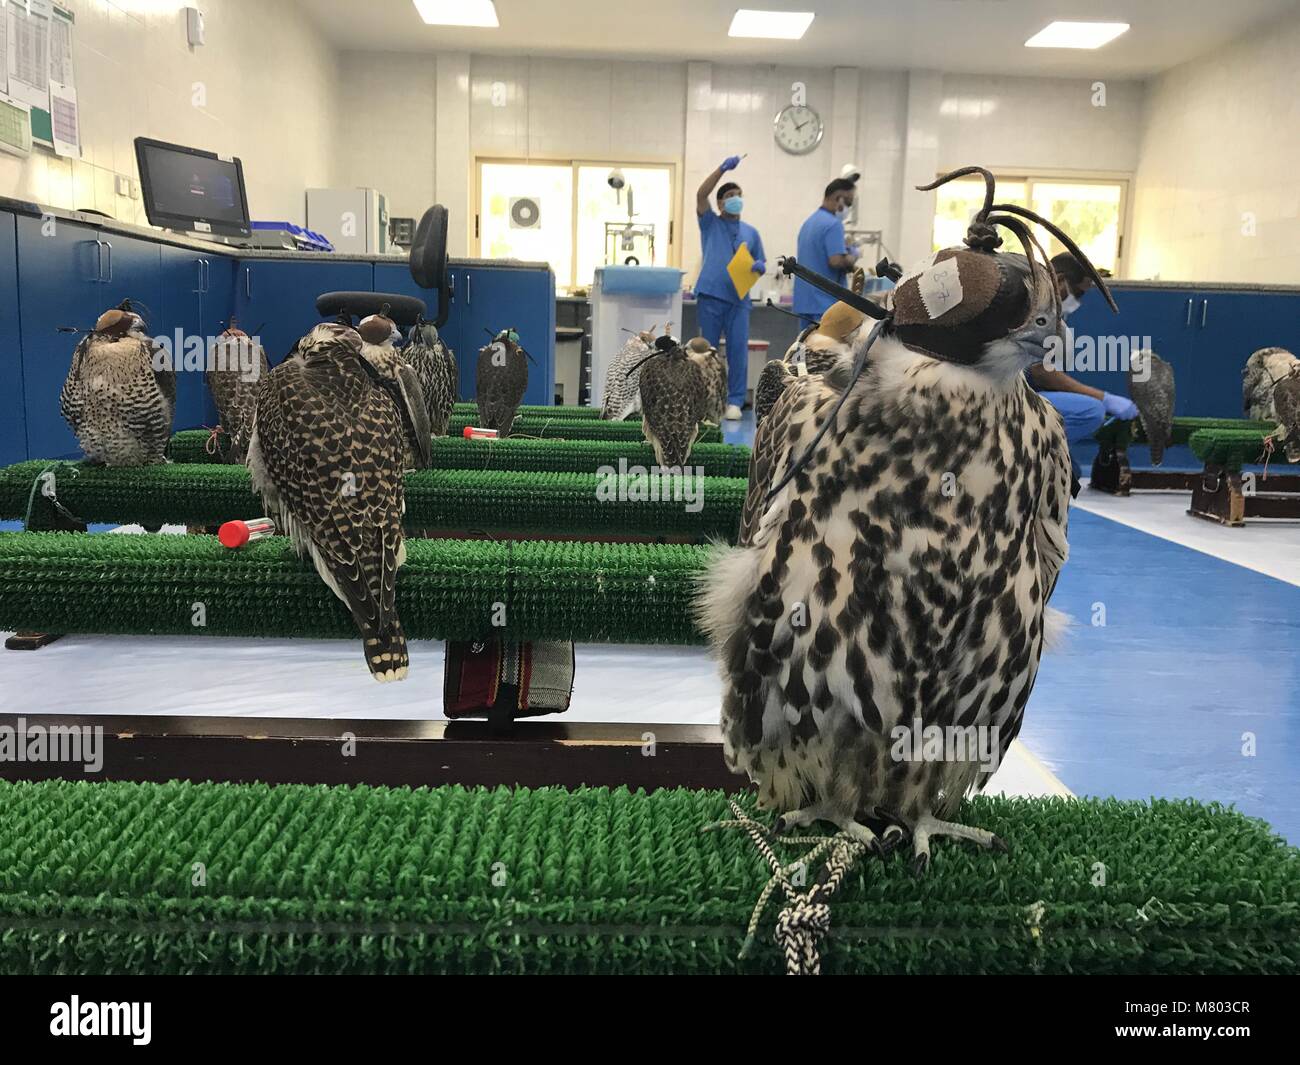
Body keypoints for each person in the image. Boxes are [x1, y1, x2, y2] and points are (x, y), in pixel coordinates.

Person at [1027, 252, 1137, 466]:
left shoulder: (1052, 312)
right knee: (1090, 411)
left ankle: (1042, 458)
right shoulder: (1033, 308)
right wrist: (1104, 398)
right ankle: (1028, 457)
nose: (1077, 300)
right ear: (1058, 280)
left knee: (1072, 472)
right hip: (1008, 395)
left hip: (1024, 393)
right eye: (1077, 292)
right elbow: (1041, 372)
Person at [695, 155, 766, 420]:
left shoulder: (751, 232)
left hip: (739, 299)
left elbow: (762, 261)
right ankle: (706, 401)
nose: (737, 198)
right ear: (721, 202)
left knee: (738, 351)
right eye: (731, 195)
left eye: (740, 194)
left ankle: (735, 401)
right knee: (707, 352)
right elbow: (701, 194)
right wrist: (722, 169)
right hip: (711, 296)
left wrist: (759, 266)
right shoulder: (710, 223)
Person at [793, 178, 859, 324]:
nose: (849, 207)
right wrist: (853, 255)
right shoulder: (834, 224)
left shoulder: (809, 223)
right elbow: (835, 261)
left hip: (805, 302)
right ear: (838, 199)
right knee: (825, 346)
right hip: (825, 304)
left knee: (805, 346)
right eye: (848, 202)